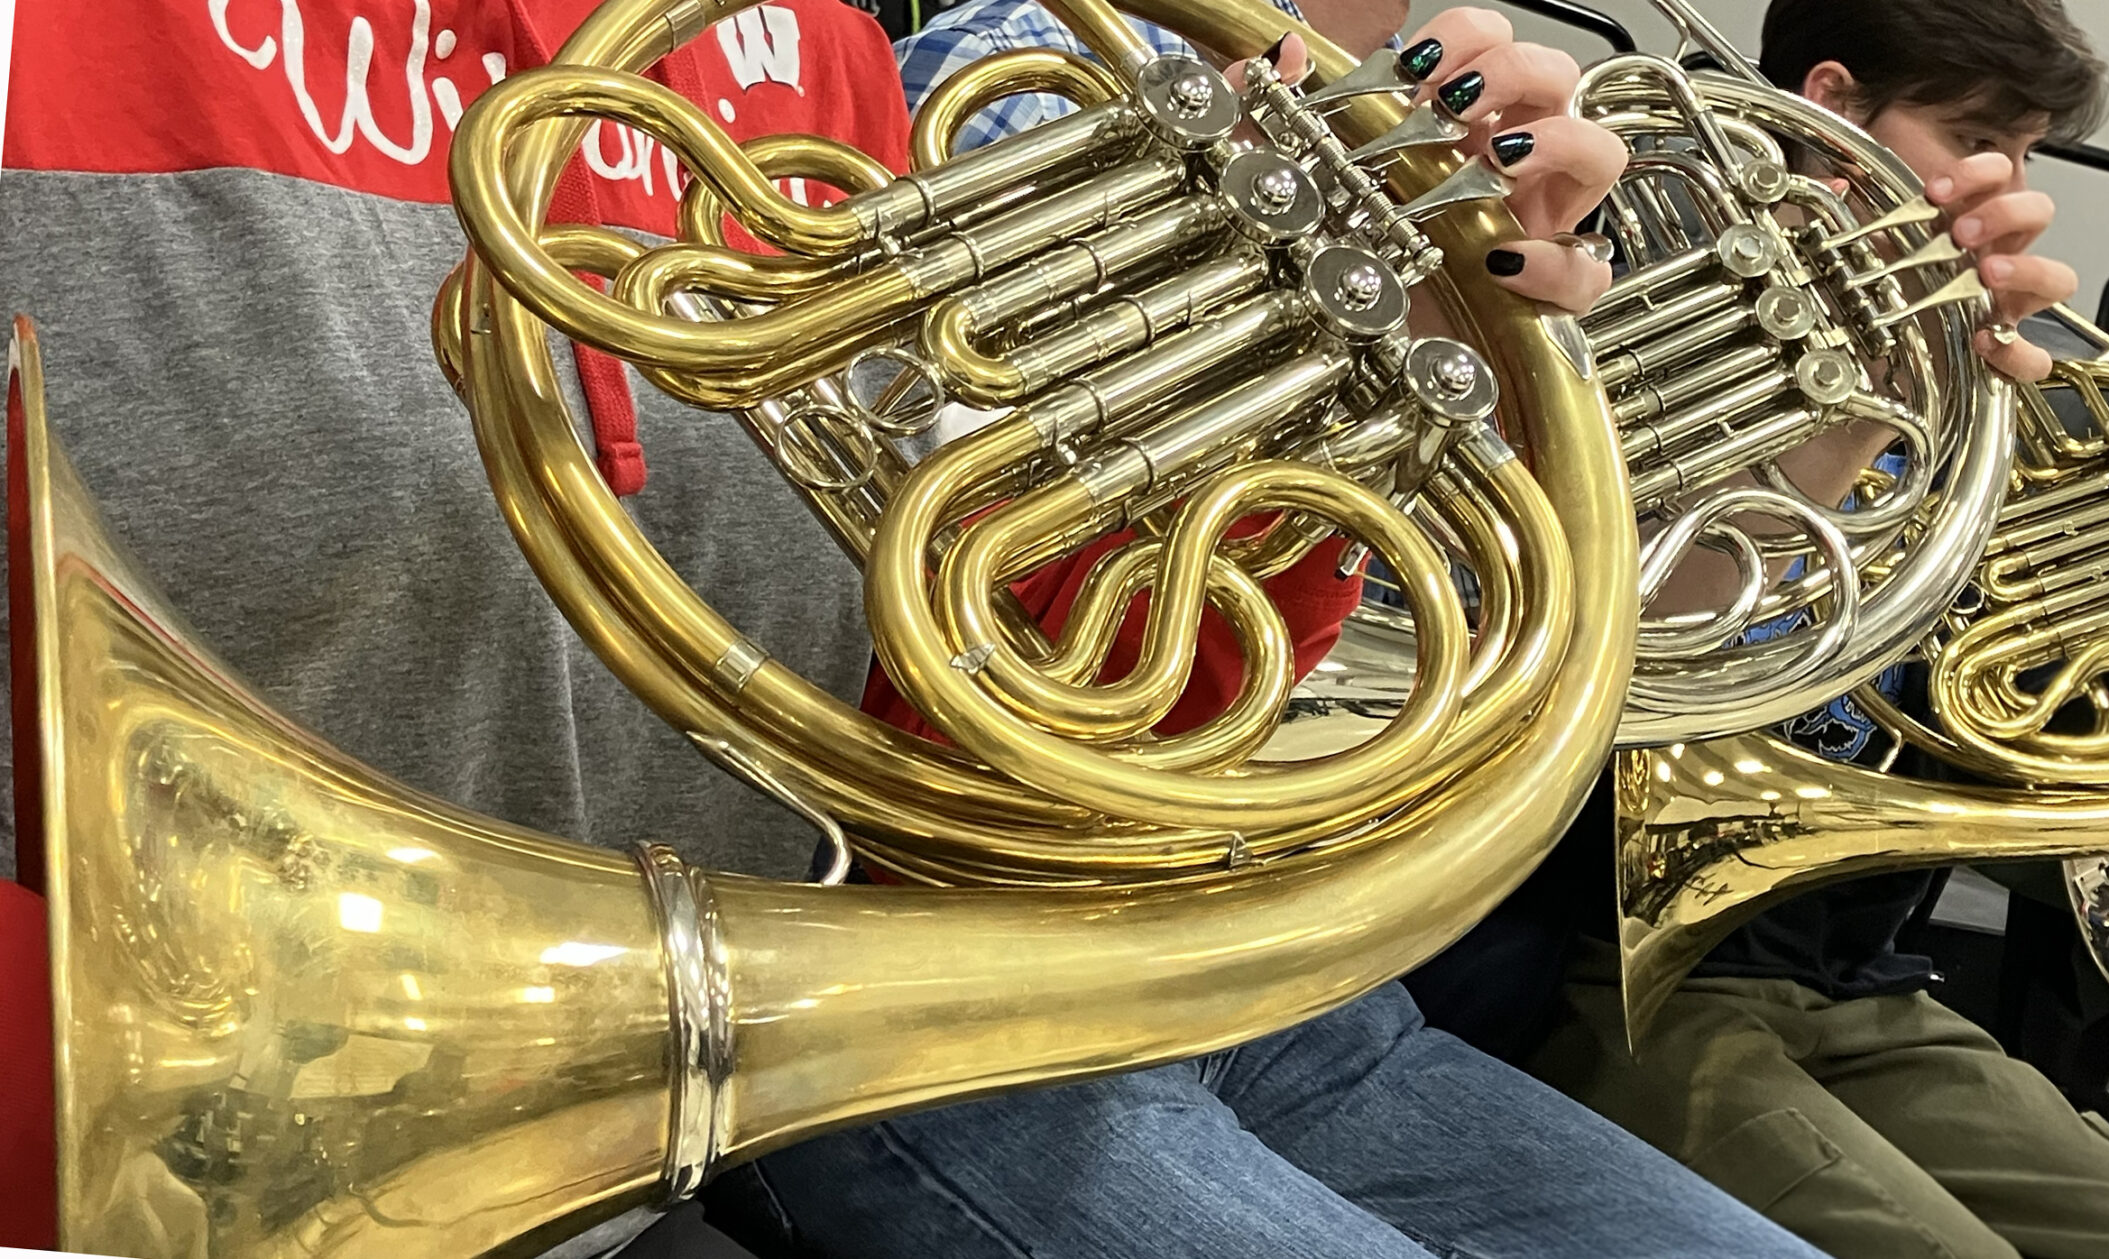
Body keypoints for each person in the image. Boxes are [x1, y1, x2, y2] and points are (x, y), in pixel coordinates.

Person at [692, 6, 1826, 1259]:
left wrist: (1402, 372)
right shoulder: (1043, 60)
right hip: (923, 967)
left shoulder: (1421, 138)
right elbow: (949, 671)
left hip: (1229, 954)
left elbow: (1623, 622)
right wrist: (1238, 363)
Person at [1429, 4, 2109, 1258]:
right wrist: (1835, 430)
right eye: (1977, 136)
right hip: (1609, 968)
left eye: (2029, 153)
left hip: (1854, 975)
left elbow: (2013, 718)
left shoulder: (1988, 393)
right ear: (1829, 102)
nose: (2012, 187)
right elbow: (1592, 644)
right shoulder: (1617, 297)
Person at [0, 1, 909, 1253]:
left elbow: (947, 728)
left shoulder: (822, 48)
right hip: (137, 1177)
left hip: (711, 1125)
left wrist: (1251, 470)